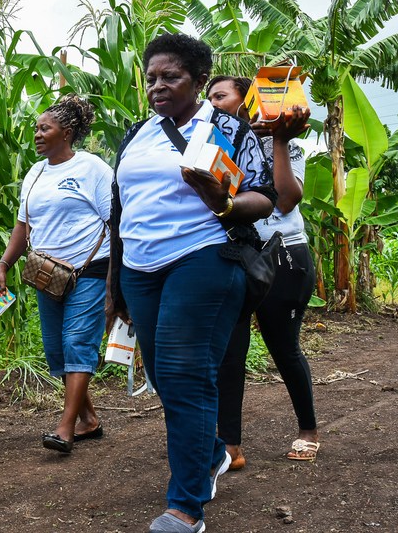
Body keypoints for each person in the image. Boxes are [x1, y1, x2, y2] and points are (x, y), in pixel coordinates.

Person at [106, 33, 276, 533]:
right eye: (152, 77)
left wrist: (223, 202)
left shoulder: (225, 127)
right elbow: (121, 211)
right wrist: (116, 287)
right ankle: (215, 451)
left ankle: (185, 506)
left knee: (184, 374)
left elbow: (265, 198)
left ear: (200, 80)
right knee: (163, 376)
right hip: (140, 268)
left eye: (171, 76)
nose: (157, 86)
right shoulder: (138, 133)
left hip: (201, 258)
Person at [207, 75, 319, 469]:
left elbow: (285, 201)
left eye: (220, 96)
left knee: (283, 346)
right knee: (230, 354)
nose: (212, 103)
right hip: (236, 257)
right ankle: (230, 447)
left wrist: (279, 141)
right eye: (209, 97)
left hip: (282, 257)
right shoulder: (217, 147)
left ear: (247, 100)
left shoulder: (284, 145)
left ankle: (308, 430)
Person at [0, 94, 111, 454]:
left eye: (45, 128)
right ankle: (89, 420)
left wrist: (118, 281)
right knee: (56, 349)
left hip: (91, 269)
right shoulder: (36, 172)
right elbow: (22, 226)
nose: (37, 134)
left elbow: (115, 222)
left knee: (77, 343)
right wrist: (3, 265)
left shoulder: (93, 170)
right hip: (47, 273)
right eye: (36, 128)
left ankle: (66, 428)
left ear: (68, 133)